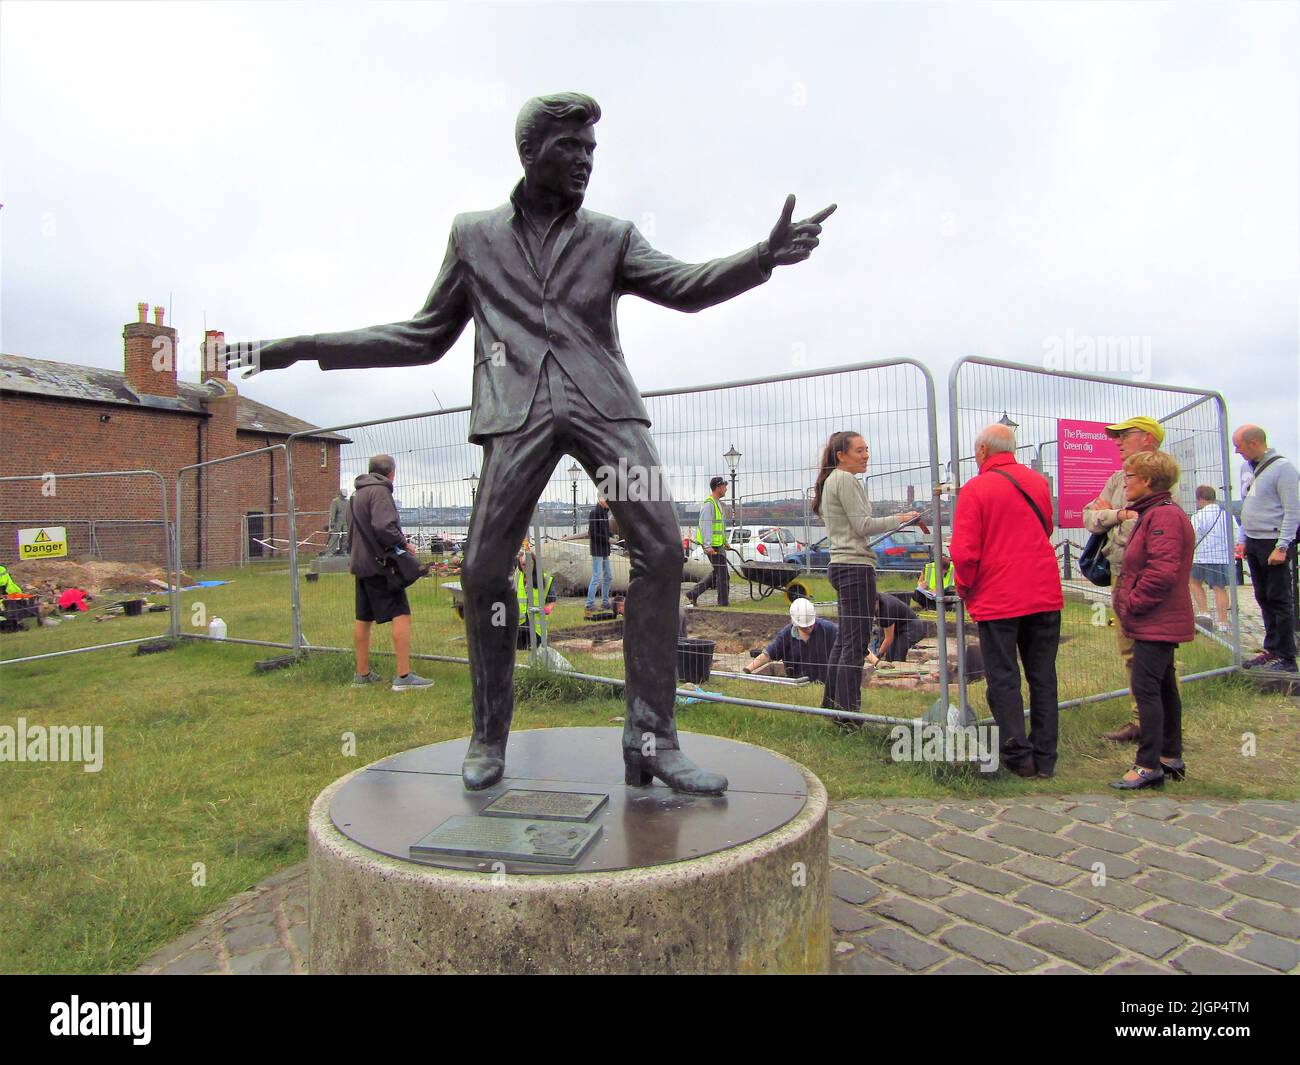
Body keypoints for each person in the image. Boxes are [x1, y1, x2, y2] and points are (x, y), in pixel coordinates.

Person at [227, 92, 835, 794]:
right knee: (485, 571)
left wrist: (762, 257)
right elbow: (423, 336)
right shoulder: (474, 236)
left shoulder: (612, 236)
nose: (584, 161)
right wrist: (301, 347)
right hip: (515, 415)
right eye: (570, 148)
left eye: (591, 151)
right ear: (529, 153)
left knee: (666, 550)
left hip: (603, 406)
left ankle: (652, 738)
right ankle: (489, 734)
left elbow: (685, 286)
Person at [950, 424, 1062, 778]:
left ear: (982, 450)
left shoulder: (975, 489)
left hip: (999, 596)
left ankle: (1018, 755)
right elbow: (1045, 528)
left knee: (1003, 676)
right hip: (1043, 590)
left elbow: (965, 552)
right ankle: (1046, 756)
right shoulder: (1037, 482)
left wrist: (965, 588)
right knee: (1043, 675)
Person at [812, 431, 919, 717]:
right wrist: (901, 519)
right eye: (859, 450)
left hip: (841, 565)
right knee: (856, 644)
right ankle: (849, 713)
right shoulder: (845, 479)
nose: (866, 455)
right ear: (841, 455)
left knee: (845, 640)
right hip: (855, 568)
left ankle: (833, 705)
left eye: (866, 449)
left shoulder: (831, 481)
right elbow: (863, 525)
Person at [1110, 451, 1194, 789]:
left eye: (1129, 477)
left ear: (1147, 481)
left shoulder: (1163, 517)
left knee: (1146, 688)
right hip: (1157, 617)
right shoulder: (1157, 513)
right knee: (1163, 686)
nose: (1125, 483)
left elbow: (1161, 571)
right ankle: (1170, 756)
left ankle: (1148, 764)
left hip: (1154, 619)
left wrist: (1132, 604)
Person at [1083, 415, 1163, 743]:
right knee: (1129, 651)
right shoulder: (1118, 479)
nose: (1117, 442)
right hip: (1119, 574)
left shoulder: (1160, 476)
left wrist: (1111, 519)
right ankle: (1140, 721)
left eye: (1124, 435)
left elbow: (1142, 531)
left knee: (1152, 653)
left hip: (1145, 577)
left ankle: (1157, 728)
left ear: (1147, 438)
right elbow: (1090, 518)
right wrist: (1118, 514)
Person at [348, 454, 434, 692]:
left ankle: (362, 673)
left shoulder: (356, 494)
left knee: (363, 618)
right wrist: (403, 543)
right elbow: (384, 526)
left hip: (361, 564)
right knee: (401, 613)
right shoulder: (380, 492)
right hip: (381, 566)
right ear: (391, 473)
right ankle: (403, 675)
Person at [1232, 424, 1299, 675]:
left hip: (1274, 541)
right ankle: (1272, 648)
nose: (1236, 451)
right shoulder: (1246, 469)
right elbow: (1246, 507)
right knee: (1263, 597)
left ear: (1253, 443)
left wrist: (1282, 546)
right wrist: (1242, 539)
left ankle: (1287, 656)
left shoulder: (1284, 469)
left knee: (1280, 599)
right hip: (1254, 541)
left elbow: (1292, 510)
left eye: (1239, 445)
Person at [743, 597, 839, 685]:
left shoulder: (828, 629)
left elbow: (847, 642)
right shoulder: (787, 634)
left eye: (811, 624)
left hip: (826, 684)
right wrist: (747, 670)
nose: (809, 627)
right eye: (805, 627)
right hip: (798, 684)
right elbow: (768, 654)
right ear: (795, 623)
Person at [1188, 485, 1239, 633]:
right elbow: (1235, 533)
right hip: (1221, 556)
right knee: (1220, 588)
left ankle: (1204, 613)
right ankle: (1222, 621)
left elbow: (1193, 536)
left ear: (1199, 499)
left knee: (1194, 583)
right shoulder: (1226, 515)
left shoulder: (1198, 516)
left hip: (1201, 556)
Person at [687, 477, 730, 608]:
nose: (726, 489)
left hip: (718, 545)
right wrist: (707, 545)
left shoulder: (717, 504)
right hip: (712, 546)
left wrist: (725, 542)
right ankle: (723, 603)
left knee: (719, 572)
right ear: (718, 487)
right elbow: (705, 525)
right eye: (724, 486)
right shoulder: (709, 504)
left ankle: (693, 593)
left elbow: (719, 527)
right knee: (723, 575)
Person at [872, 592, 925, 665]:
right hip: (898, 629)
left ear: (876, 602)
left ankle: (899, 674)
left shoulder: (886, 610)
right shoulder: (879, 601)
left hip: (912, 628)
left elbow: (888, 638)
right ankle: (890, 673)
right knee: (890, 656)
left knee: (897, 657)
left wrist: (876, 658)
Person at [585, 495, 613, 616]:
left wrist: (612, 536)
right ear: (600, 499)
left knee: (608, 576)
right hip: (597, 550)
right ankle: (590, 604)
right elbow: (592, 533)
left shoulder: (604, 513)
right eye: (606, 498)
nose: (609, 501)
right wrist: (607, 539)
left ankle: (605, 602)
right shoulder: (594, 513)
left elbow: (605, 530)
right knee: (596, 577)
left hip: (604, 549)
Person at [327, 488, 350, 555]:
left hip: (346, 521)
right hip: (337, 521)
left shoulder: (347, 502)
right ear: (340, 494)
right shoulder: (335, 501)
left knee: (345, 536)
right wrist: (332, 522)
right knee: (335, 536)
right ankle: (331, 551)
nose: (343, 497)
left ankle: (343, 550)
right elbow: (333, 512)